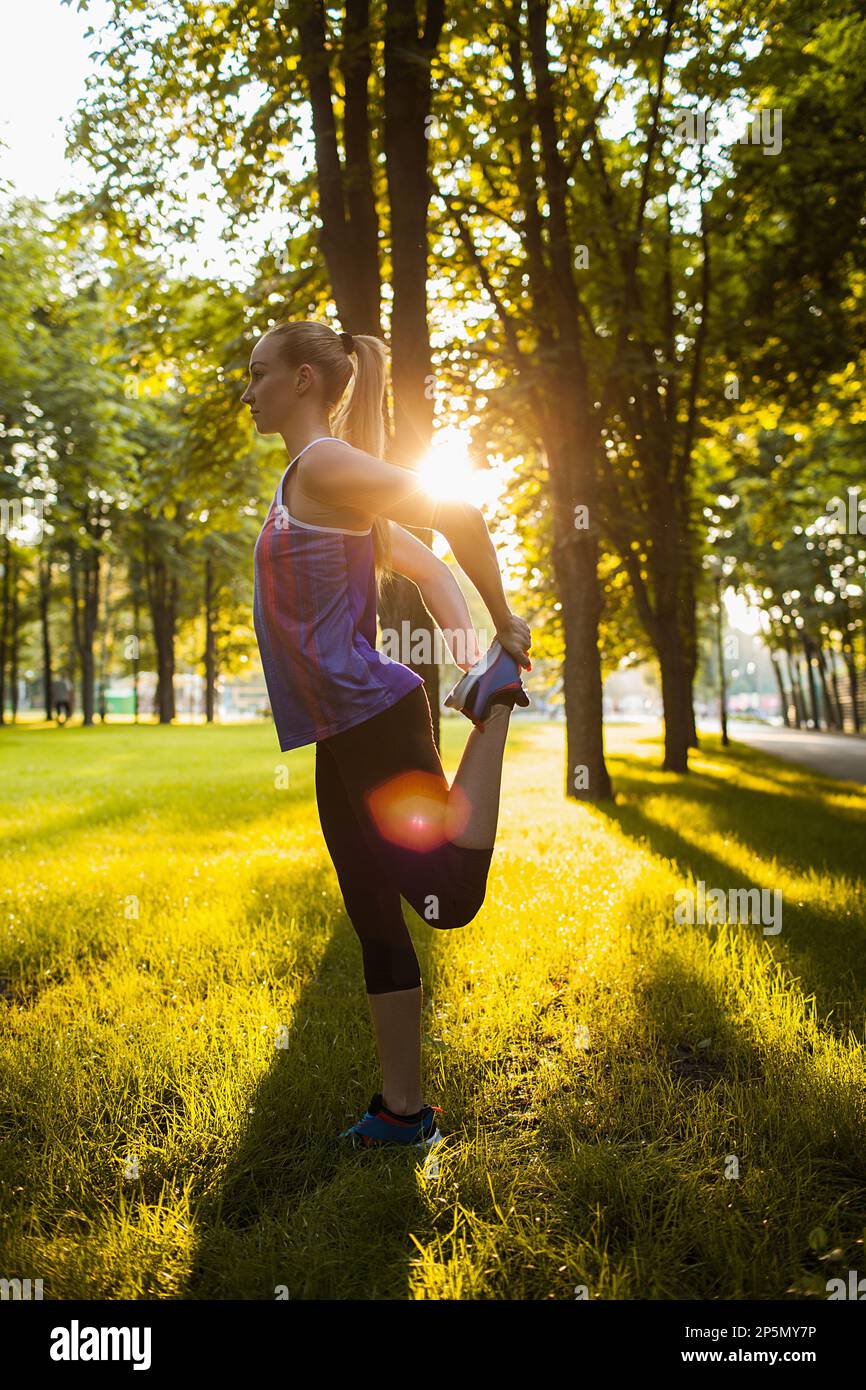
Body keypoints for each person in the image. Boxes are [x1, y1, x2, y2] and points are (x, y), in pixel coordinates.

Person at [244, 321, 531, 1151]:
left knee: (449, 898)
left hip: (370, 711)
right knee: (373, 914)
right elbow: (427, 566)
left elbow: (459, 517)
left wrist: (499, 636)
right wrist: (465, 647)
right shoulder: (309, 482)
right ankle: (404, 1113)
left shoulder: (325, 465)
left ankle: (499, 709)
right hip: (341, 726)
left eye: (258, 374)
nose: (248, 388)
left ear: (302, 380)